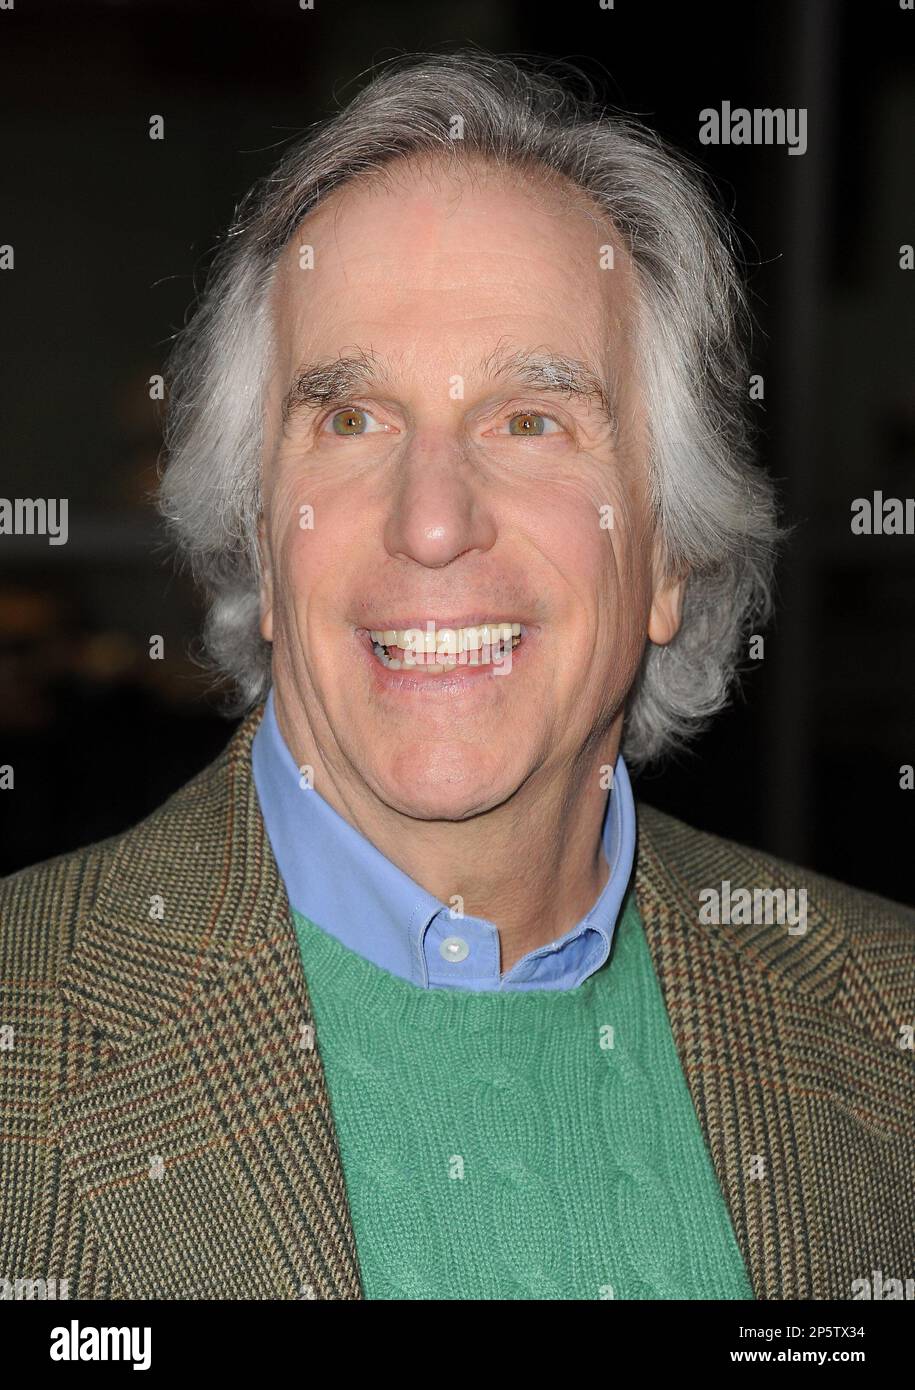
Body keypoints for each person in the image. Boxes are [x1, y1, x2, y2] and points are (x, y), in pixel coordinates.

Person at [2, 50, 913, 1302]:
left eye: (531, 421)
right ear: (261, 542)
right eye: (352, 418)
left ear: (669, 553)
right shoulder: (22, 1032)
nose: (432, 522)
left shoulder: (889, 1025)